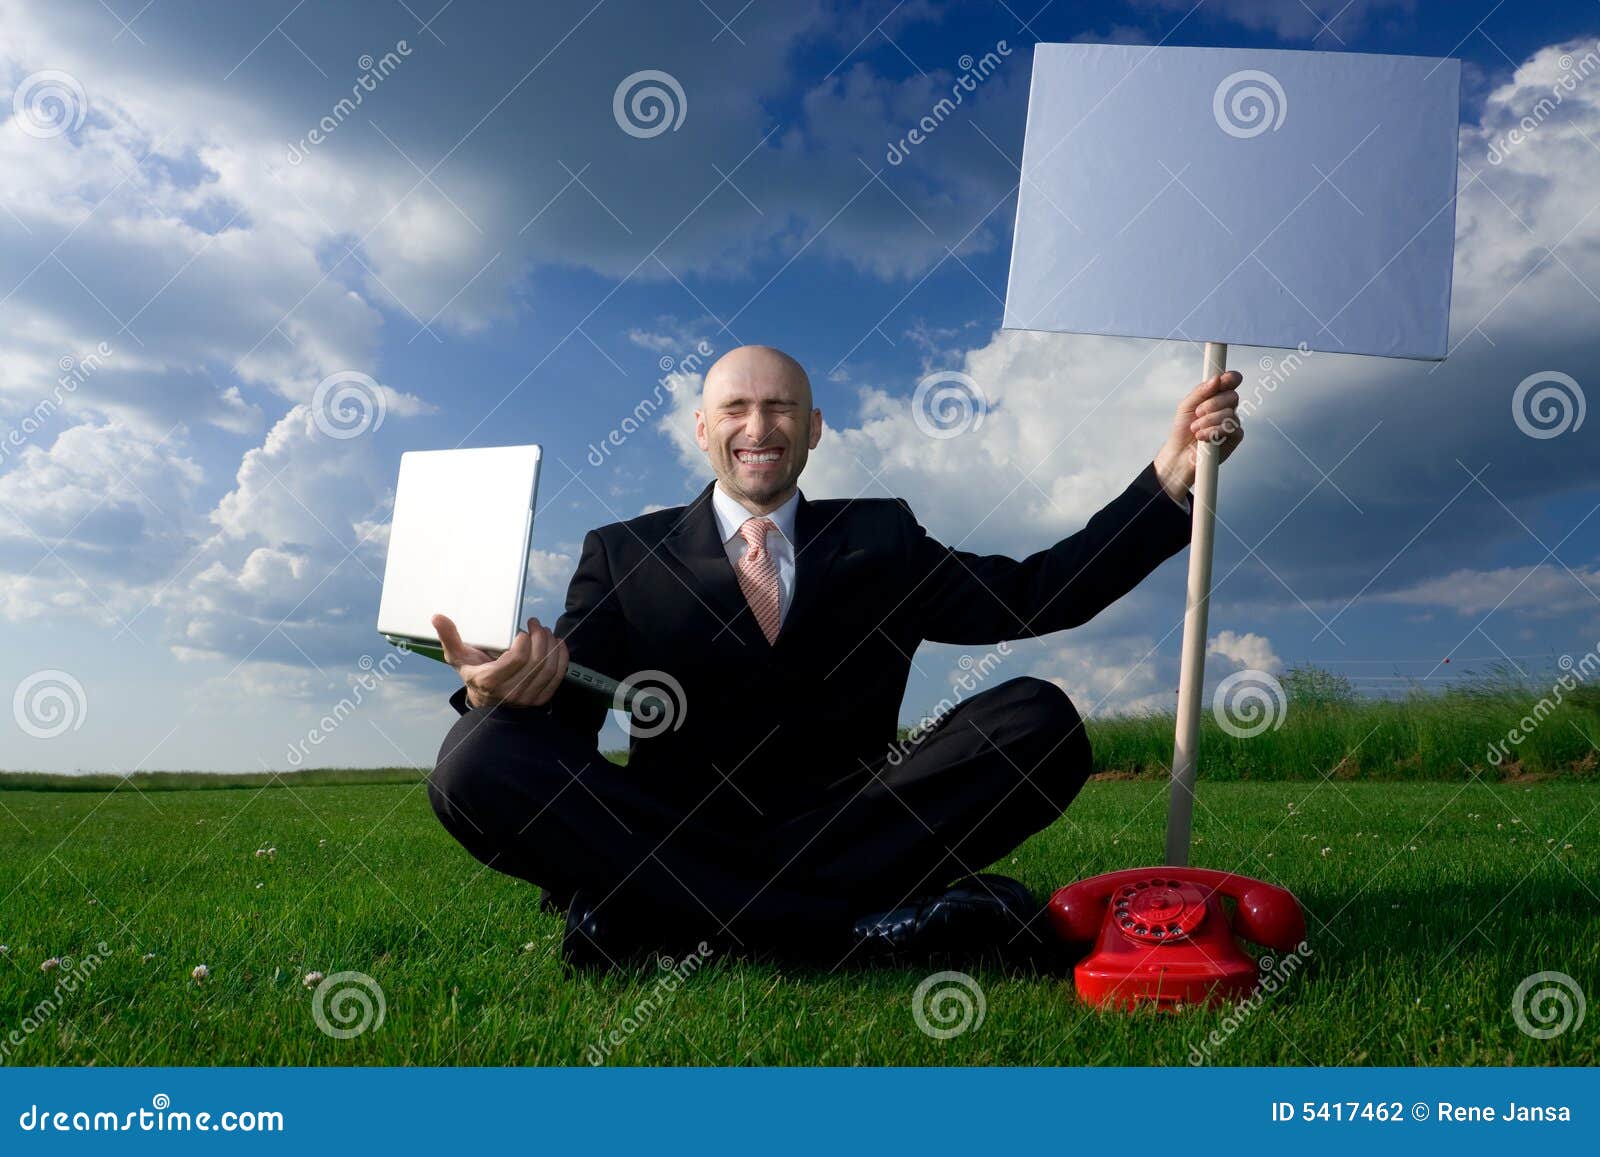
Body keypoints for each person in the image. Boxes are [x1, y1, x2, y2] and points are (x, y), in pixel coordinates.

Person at [428, 345, 1242, 969]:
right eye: (735, 408)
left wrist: (1165, 481)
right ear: (703, 429)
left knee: (1040, 719)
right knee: (476, 754)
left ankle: (664, 920)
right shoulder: (623, 552)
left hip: (854, 820)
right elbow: (568, 715)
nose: (758, 427)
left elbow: (1035, 593)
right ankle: (846, 930)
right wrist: (507, 689)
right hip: (676, 829)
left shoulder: (880, 537)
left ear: (813, 429)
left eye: (781, 407)